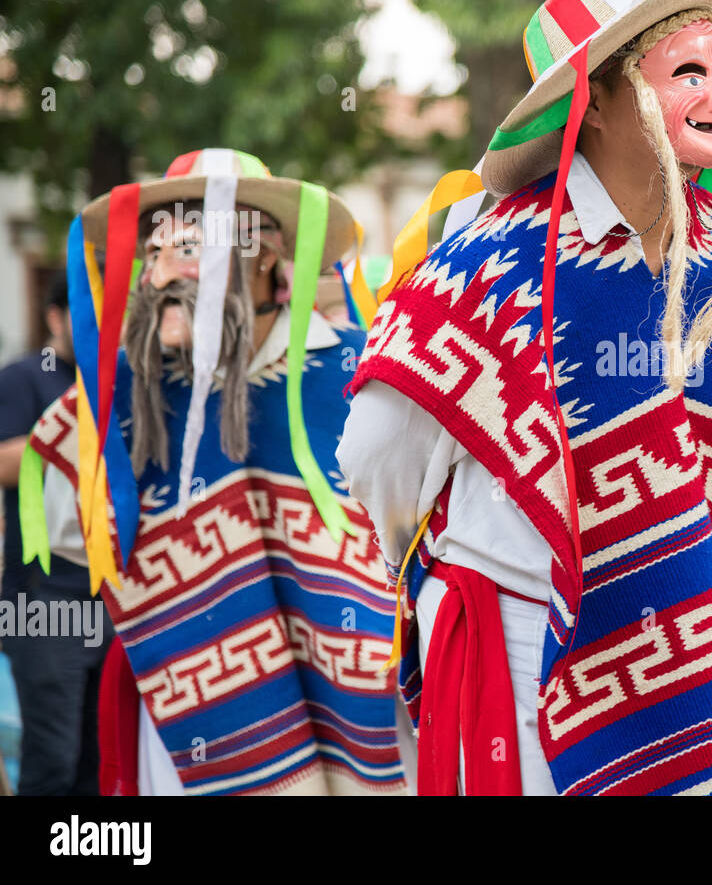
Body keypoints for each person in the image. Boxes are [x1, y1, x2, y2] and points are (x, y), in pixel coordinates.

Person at [338, 0, 712, 795]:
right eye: (684, 71)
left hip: (709, 642)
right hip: (521, 661)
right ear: (599, 100)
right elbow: (374, 461)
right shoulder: (493, 262)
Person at [25, 148, 408, 795]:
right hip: (196, 727)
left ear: (266, 250)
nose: (159, 273)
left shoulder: (365, 374)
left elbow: (409, 529)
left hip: (367, 714)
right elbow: (78, 535)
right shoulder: (114, 406)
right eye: (152, 251)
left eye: (191, 243)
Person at [0, 276, 108, 794]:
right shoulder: (25, 377)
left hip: (107, 591)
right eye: (86, 314)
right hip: (43, 599)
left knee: (100, 756)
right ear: (55, 318)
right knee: (52, 757)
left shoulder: (115, 379)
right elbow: (3, 463)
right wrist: (76, 427)